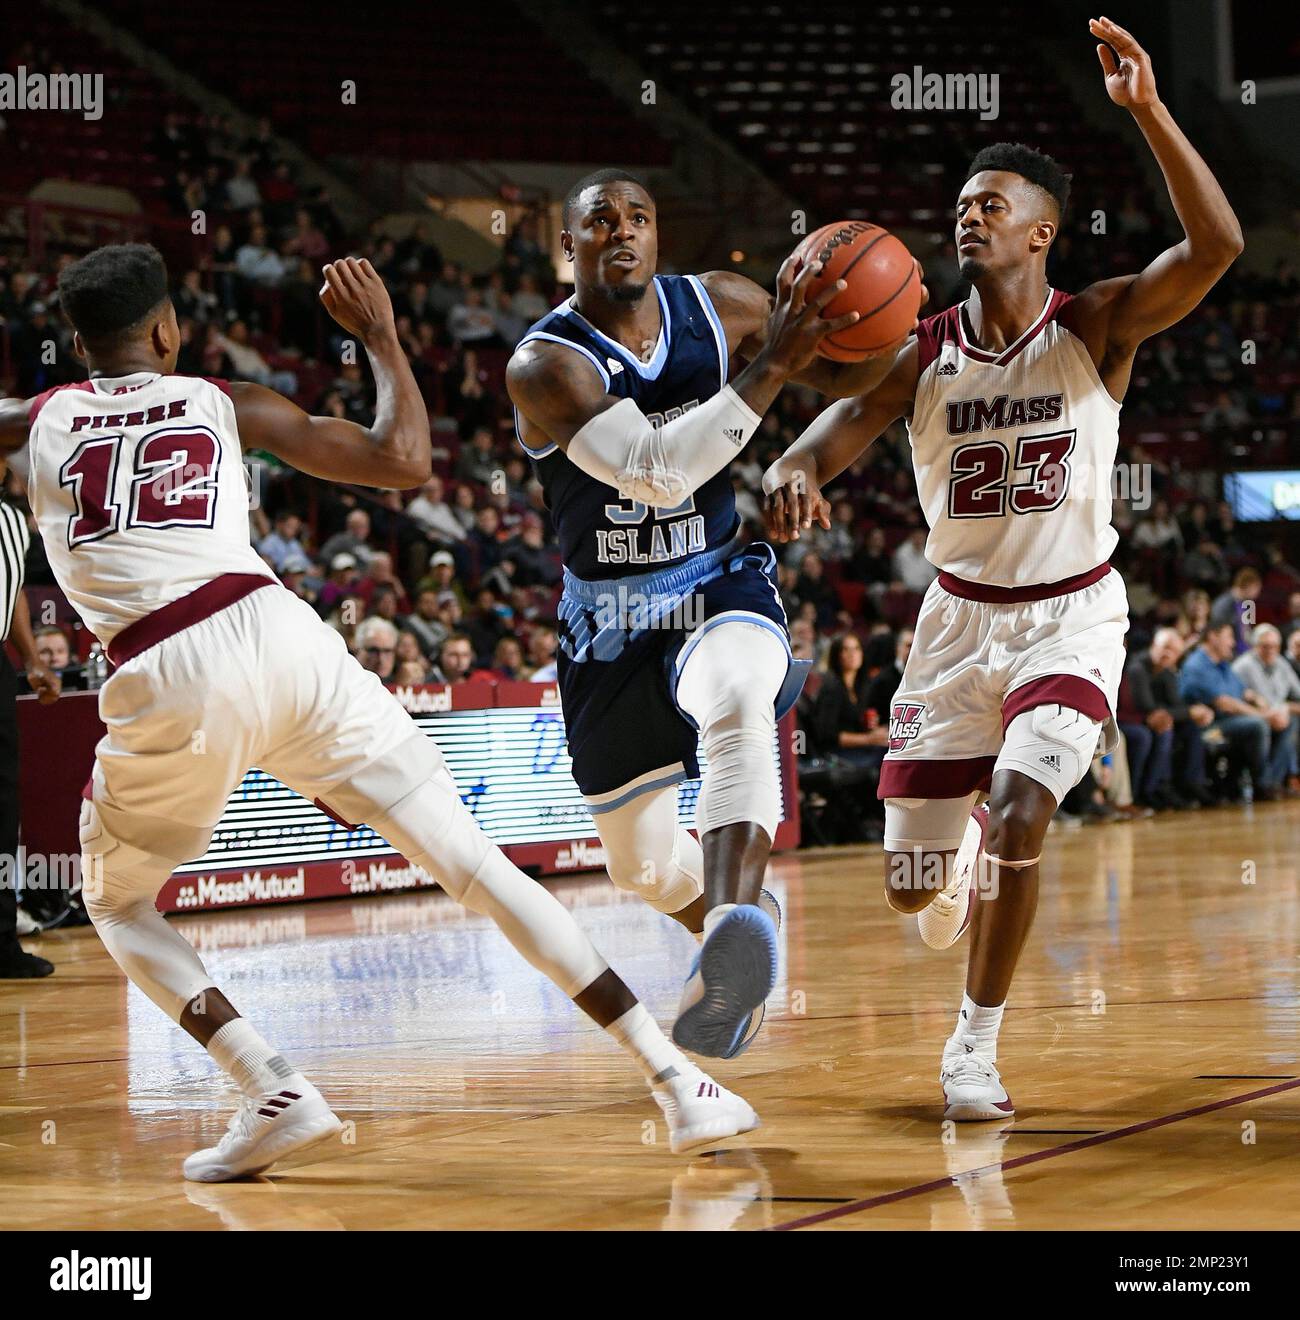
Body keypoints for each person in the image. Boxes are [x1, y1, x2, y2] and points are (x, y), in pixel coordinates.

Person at [0, 243, 759, 1181]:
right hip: (281, 631)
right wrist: (384, 341)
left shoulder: (30, 420)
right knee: (474, 864)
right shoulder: (224, 401)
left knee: (114, 900)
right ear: (167, 329)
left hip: (163, 663)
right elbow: (405, 461)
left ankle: (270, 1088)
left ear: (77, 346)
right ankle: (679, 1082)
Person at [763, 17, 1243, 1119]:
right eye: (962, 204)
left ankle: (972, 1046)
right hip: (953, 628)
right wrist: (795, 469)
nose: (968, 216)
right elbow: (826, 434)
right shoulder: (916, 353)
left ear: (1043, 234)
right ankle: (953, 848)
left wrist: (1149, 114)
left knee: (1025, 812)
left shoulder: (1098, 325)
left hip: (1070, 618)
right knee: (912, 891)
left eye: (993, 204)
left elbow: (1213, 250)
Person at [506, 167, 915, 1059]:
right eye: (600, 220)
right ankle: (742, 921)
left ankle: (732, 926)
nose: (623, 230)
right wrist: (772, 371)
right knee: (641, 866)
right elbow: (657, 471)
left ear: (658, 235)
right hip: (605, 619)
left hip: (716, 576)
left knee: (736, 693)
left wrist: (818, 434)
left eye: (640, 216)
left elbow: (862, 378)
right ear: (564, 245)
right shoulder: (546, 364)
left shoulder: (724, 305)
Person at [0, 469, 61, 977]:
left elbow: (14, 588)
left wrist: (32, 660)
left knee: (2, 802)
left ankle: (1, 942)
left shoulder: (14, 522)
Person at [1179, 622, 1273, 801]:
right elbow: (1226, 703)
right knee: (1257, 725)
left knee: (1279, 722)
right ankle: (1263, 786)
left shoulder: (1222, 664)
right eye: (1229, 637)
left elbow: (1241, 691)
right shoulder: (1197, 665)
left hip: (1226, 723)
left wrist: (1257, 700)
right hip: (1206, 731)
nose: (1233, 643)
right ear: (1213, 636)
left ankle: (1253, 783)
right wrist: (1264, 715)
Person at [1122, 627, 1214, 808]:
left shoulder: (1166, 671)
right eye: (1164, 647)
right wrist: (1189, 712)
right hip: (1132, 720)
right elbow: (1146, 707)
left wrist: (1193, 712)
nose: (1167, 653)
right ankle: (1150, 790)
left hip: (1152, 721)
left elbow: (1176, 704)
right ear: (1153, 645)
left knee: (1191, 729)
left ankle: (1191, 784)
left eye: (1173, 651)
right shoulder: (1137, 667)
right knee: (1161, 731)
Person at [1231, 623, 1300, 794]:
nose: (1270, 650)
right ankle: (1266, 784)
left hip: (1279, 715)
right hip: (1252, 716)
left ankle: (1272, 782)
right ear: (1255, 646)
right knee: (1266, 725)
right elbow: (1234, 700)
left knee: (1292, 721)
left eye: (1274, 646)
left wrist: (1286, 707)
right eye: (1265, 646)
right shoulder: (1243, 666)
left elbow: (1297, 693)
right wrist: (1268, 713)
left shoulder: (1281, 663)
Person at [811, 634, 889, 770]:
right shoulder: (832, 687)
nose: (852, 654)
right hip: (835, 754)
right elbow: (828, 736)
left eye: (856, 649)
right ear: (837, 655)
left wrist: (873, 728)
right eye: (846, 649)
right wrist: (870, 738)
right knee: (882, 759)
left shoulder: (861, 686)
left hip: (857, 749)